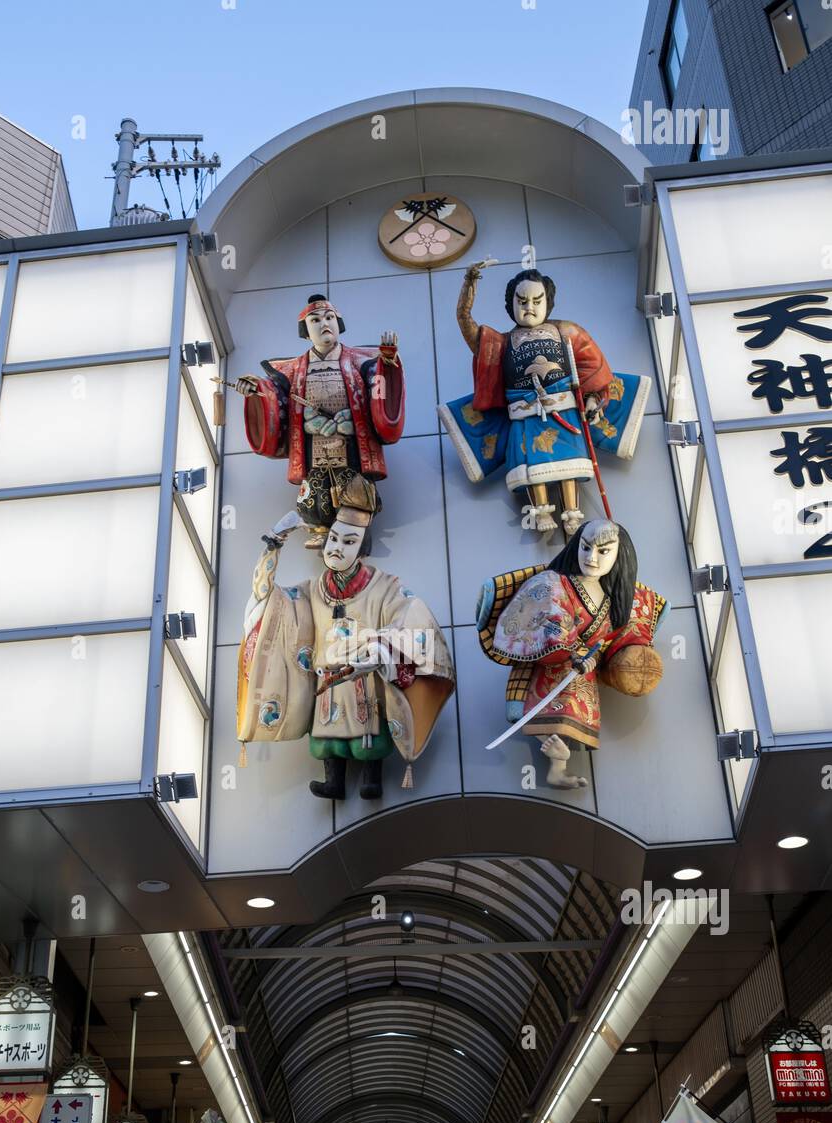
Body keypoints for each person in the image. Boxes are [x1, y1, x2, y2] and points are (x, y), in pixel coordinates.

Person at [237, 476, 454, 800]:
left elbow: (411, 617)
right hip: (326, 681)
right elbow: (269, 600)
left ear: (362, 548)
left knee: (368, 735)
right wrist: (274, 543)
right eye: (334, 539)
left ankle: (371, 778)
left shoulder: (385, 586)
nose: (337, 548)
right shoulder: (312, 590)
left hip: (363, 679)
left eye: (348, 542)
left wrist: (381, 646)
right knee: (327, 736)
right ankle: (333, 781)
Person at [439, 263, 651, 535]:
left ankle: (572, 512)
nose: (529, 306)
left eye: (537, 301)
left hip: (564, 410)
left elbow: (593, 367)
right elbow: (464, 319)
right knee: (532, 463)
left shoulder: (568, 331)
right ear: (510, 304)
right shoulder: (498, 343)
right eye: (522, 301)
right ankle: (540, 510)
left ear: (548, 303)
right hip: (524, 412)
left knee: (569, 462)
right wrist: (470, 281)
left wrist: (591, 398)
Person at [477, 519, 667, 788]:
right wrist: (569, 650)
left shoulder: (616, 599)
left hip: (583, 672)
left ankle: (558, 766)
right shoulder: (553, 582)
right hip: (548, 665)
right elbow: (547, 618)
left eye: (604, 551)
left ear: (619, 554)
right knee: (546, 707)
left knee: (575, 709)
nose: (592, 558)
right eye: (586, 547)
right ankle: (555, 756)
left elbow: (622, 634)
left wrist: (600, 656)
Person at [233, 294, 404, 548]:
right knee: (315, 491)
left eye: (329, 317)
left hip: (350, 439)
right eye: (315, 320)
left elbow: (379, 383)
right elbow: (272, 392)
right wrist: (255, 388)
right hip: (314, 442)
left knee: (354, 488)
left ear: (339, 324)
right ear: (305, 331)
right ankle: (322, 529)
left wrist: (388, 362)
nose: (324, 323)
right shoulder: (292, 369)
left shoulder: (360, 360)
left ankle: (355, 531)